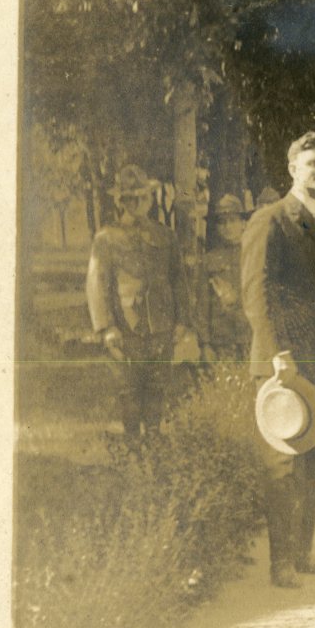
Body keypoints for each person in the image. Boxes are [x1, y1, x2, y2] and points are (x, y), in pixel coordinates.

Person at [241, 132, 315, 588]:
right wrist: (277, 353)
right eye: (311, 165)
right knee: (282, 465)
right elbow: (257, 293)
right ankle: (280, 562)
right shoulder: (272, 220)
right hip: (284, 364)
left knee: (314, 459)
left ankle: (301, 554)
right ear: (292, 170)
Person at [87, 164, 192, 438]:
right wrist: (107, 327)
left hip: (160, 323)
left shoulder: (165, 236)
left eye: (141, 198)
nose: (135, 204)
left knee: (158, 383)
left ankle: (154, 436)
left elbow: (178, 279)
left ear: (149, 199)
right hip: (126, 326)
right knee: (128, 385)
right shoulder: (106, 239)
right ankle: (133, 439)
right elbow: (97, 284)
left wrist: (181, 320)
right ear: (120, 201)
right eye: (128, 199)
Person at [192, 193, 251, 364]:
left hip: (252, 337)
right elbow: (202, 305)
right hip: (222, 341)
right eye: (222, 222)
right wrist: (205, 344)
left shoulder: (254, 256)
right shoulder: (209, 260)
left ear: (243, 223)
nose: (227, 227)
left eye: (232, 220)